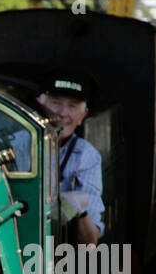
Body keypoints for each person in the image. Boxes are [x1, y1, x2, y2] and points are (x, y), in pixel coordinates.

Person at [38, 72, 105, 244]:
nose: (63, 113)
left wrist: (78, 210)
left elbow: (90, 243)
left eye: (73, 106)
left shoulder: (86, 157)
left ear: (83, 115)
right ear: (40, 104)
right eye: (56, 103)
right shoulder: (16, 145)